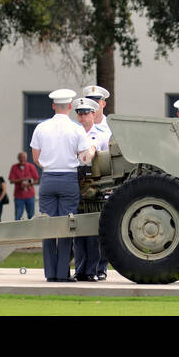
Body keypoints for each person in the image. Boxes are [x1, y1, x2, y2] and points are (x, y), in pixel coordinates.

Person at [31, 89, 95, 282]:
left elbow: (36, 158)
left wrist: (50, 166)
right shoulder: (76, 129)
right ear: (69, 106)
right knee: (67, 226)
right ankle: (62, 273)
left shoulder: (41, 127)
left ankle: (50, 273)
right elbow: (85, 158)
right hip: (68, 179)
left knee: (48, 227)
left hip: (48, 178)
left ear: (53, 106)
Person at [72, 98, 108, 280]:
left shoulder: (102, 135)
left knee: (94, 229)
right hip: (76, 180)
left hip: (95, 183)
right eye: (79, 113)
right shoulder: (73, 133)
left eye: (86, 113)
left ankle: (93, 270)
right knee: (78, 229)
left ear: (94, 114)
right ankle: (80, 269)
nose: (82, 117)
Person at [10, 152, 38, 221]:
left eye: (24, 157)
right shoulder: (14, 167)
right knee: (18, 216)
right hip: (19, 195)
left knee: (31, 216)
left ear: (26, 158)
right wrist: (21, 180)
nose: (22, 159)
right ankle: (18, 228)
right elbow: (11, 180)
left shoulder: (31, 166)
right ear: (18, 158)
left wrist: (28, 184)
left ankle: (31, 228)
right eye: (21, 157)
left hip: (30, 195)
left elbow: (36, 180)